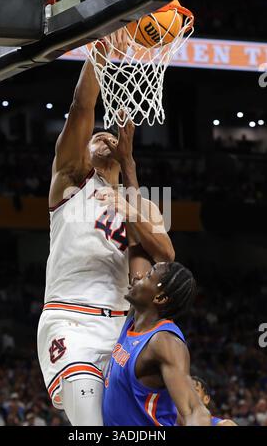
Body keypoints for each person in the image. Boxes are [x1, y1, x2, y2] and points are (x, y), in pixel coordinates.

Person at [37, 29, 175, 426]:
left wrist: (129, 207)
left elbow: (166, 257)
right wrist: (101, 52)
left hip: (124, 328)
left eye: (107, 133)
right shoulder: (69, 182)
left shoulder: (143, 203)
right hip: (71, 318)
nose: (100, 135)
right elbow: (82, 107)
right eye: (94, 137)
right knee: (90, 424)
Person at [102, 251, 211, 425]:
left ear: (159, 297)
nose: (138, 277)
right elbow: (139, 249)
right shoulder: (134, 320)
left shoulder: (164, 341)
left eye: (148, 276)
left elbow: (194, 410)